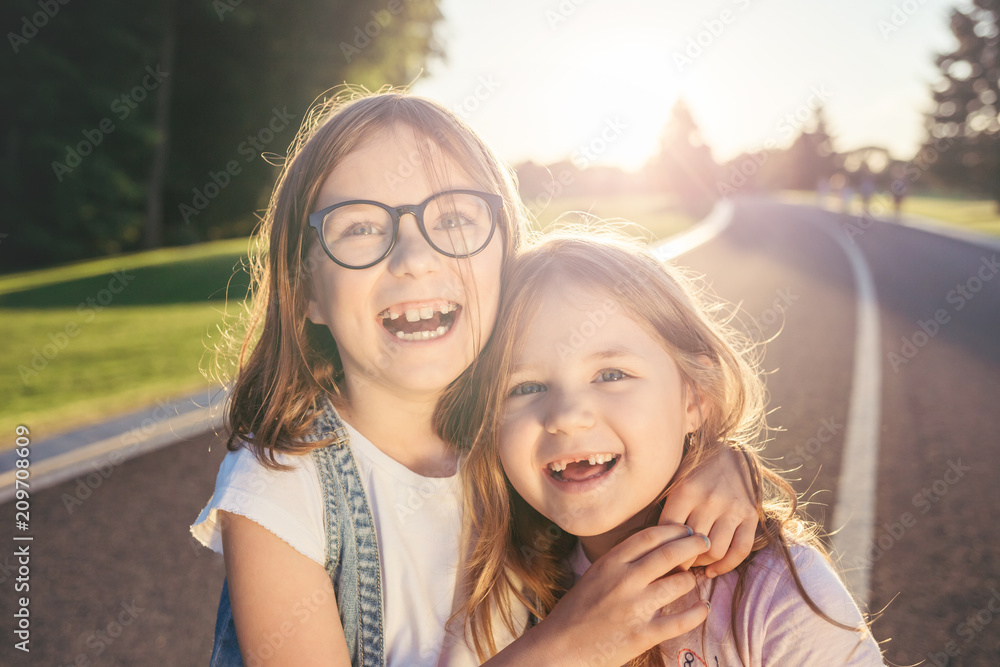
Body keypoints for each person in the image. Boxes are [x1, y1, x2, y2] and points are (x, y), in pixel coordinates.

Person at [190, 89, 758, 666]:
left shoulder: (528, 428)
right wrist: (567, 648)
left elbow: (635, 442)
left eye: (455, 218)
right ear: (305, 288)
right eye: (359, 228)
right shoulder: (278, 488)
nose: (413, 257)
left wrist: (711, 457)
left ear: (505, 259)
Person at [454, 232, 886, 665]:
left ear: (695, 396)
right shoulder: (495, 581)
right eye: (525, 387)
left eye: (611, 374)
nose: (565, 415)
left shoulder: (777, 596)